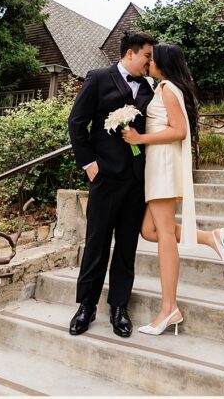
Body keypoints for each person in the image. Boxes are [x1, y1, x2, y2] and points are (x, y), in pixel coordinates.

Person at [121, 41, 224, 337]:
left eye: (152, 59)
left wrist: (139, 139)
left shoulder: (167, 89)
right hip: (158, 165)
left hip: (163, 165)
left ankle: (169, 308)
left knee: (163, 237)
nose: (149, 62)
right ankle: (211, 237)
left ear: (163, 63)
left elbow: (179, 131)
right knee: (149, 230)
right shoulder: (165, 88)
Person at [67, 31, 156, 338]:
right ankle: (86, 305)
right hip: (104, 178)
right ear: (130, 53)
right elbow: (77, 122)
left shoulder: (149, 87)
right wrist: (89, 164)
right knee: (97, 243)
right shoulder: (98, 78)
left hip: (136, 180)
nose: (150, 62)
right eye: (147, 56)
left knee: (127, 246)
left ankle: (119, 306)